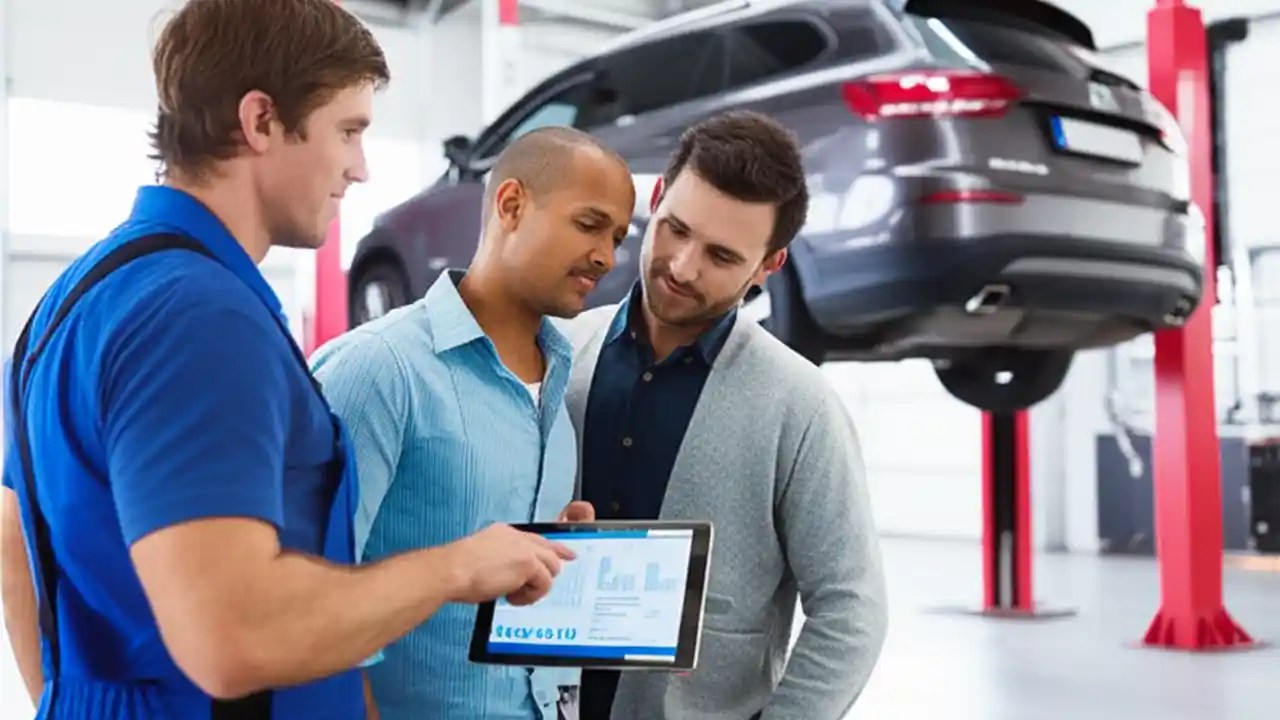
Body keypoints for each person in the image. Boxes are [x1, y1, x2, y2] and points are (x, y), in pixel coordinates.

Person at [0, 2, 574, 718]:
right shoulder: (199, 318)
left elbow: (18, 547)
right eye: (349, 131)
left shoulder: (81, 294)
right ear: (261, 120)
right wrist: (460, 566)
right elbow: (234, 635)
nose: (360, 168)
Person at [558, 110, 889, 720]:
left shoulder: (801, 406)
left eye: (721, 255)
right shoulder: (558, 354)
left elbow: (852, 610)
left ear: (769, 265)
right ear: (656, 197)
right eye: (675, 228)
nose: (683, 267)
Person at [309, 126, 636, 720]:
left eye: (617, 237)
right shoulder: (379, 369)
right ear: (511, 205)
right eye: (589, 225)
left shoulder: (561, 387)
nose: (607, 257)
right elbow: (312, 595)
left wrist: (560, 554)